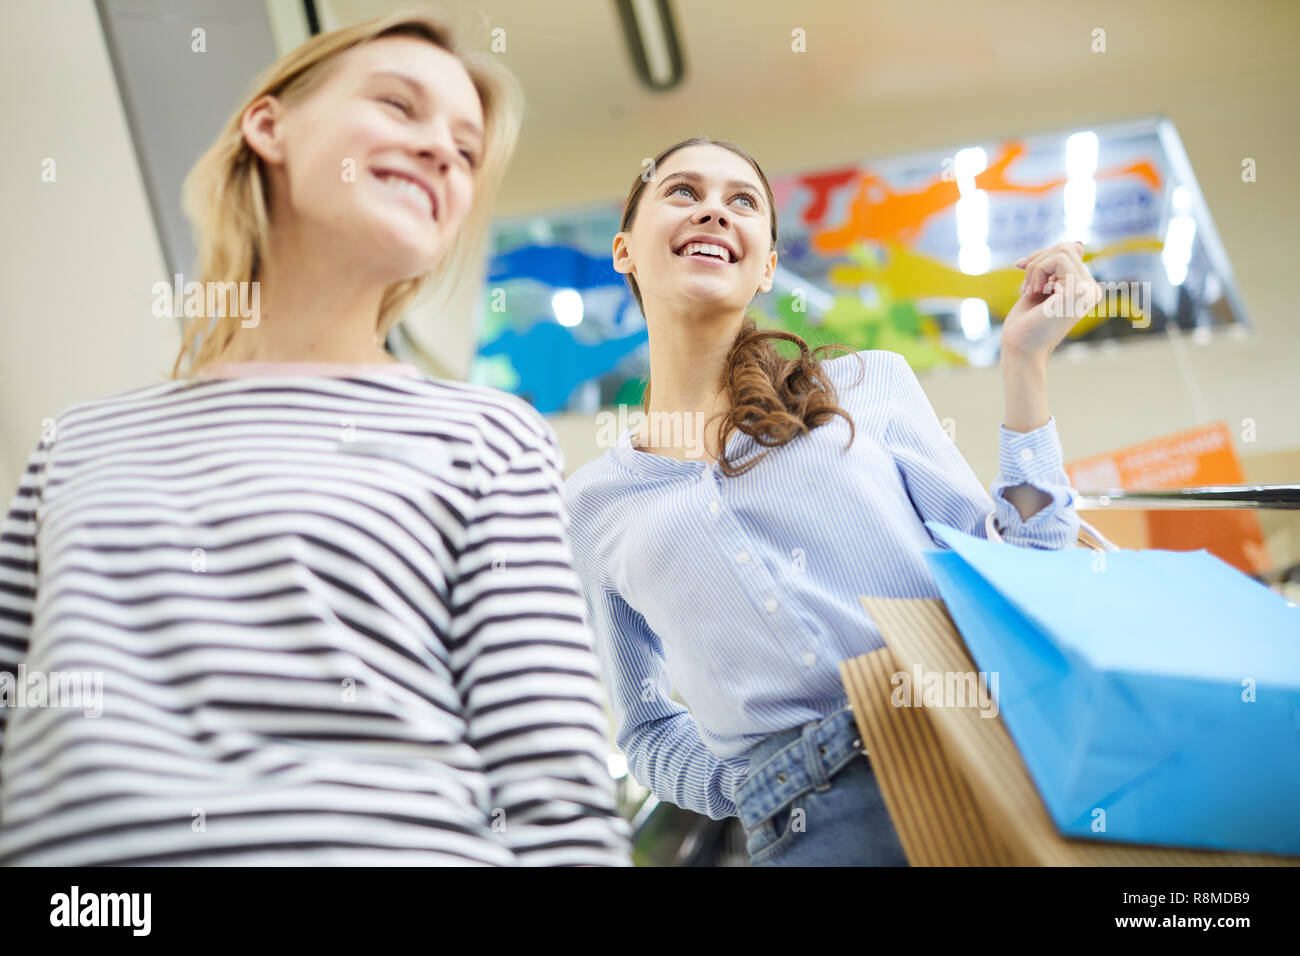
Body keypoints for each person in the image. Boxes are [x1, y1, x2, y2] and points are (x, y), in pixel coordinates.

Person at [0, 10, 630, 866]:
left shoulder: (488, 437)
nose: (444, 151)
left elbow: (553, 790)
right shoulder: (77, 442)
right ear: (270, 126)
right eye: (399, 107)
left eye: (467, 149)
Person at [562, 137, 1105, 866]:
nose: (715, 212)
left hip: (982, 758)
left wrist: (1024, 363)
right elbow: (647, 729)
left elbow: (1030, 564)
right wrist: (752, 780)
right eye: (684, 192)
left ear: (767, 267)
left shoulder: (867, 387)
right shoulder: (593, 504)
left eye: (742, 202)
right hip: (805, 829)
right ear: (625, 251)